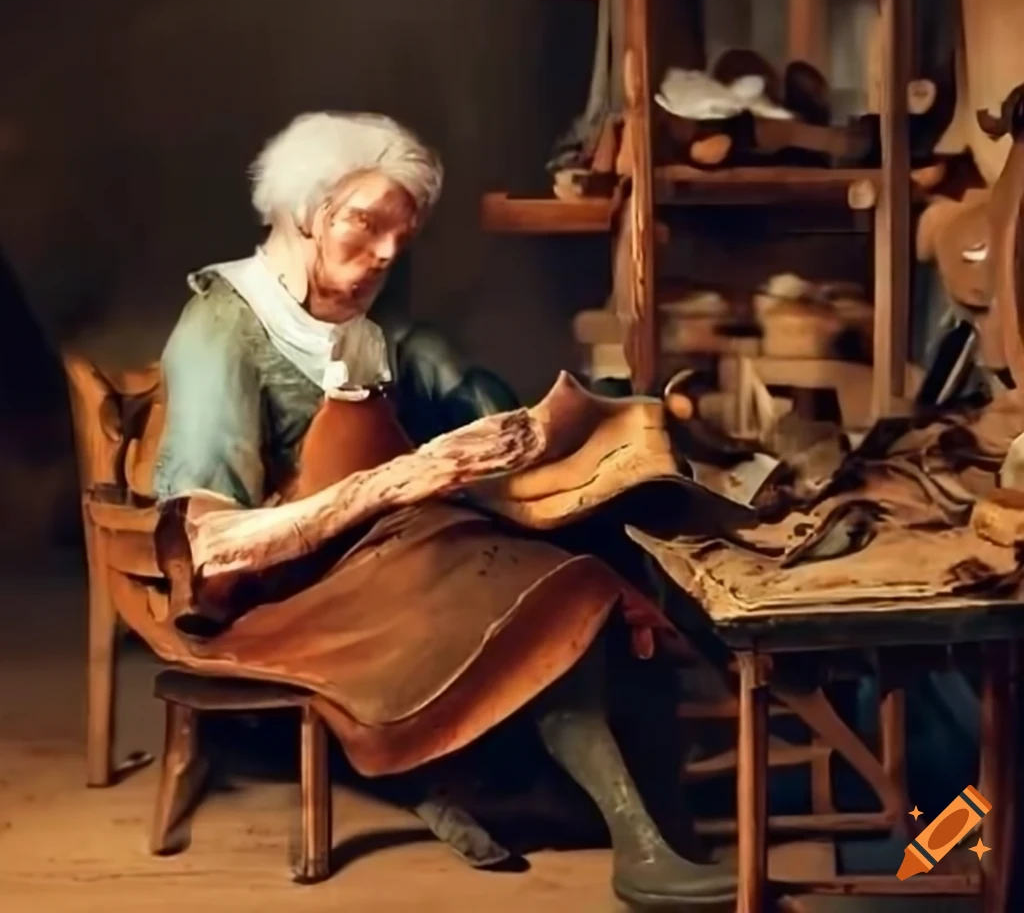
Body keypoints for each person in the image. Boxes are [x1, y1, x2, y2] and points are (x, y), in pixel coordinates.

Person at [136, 112, 734, 908]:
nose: (388, 251)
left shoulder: (379, 337)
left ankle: (644, 813)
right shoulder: (223, 325)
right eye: (366, 224)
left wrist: (585, 430)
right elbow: (211, 545)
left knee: (598, 558)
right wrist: (402, 479)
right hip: (292, 590)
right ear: (305, 211)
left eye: (402, 235)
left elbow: (486, 420)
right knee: (535, 597)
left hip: (402, 552)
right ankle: (641, 846)